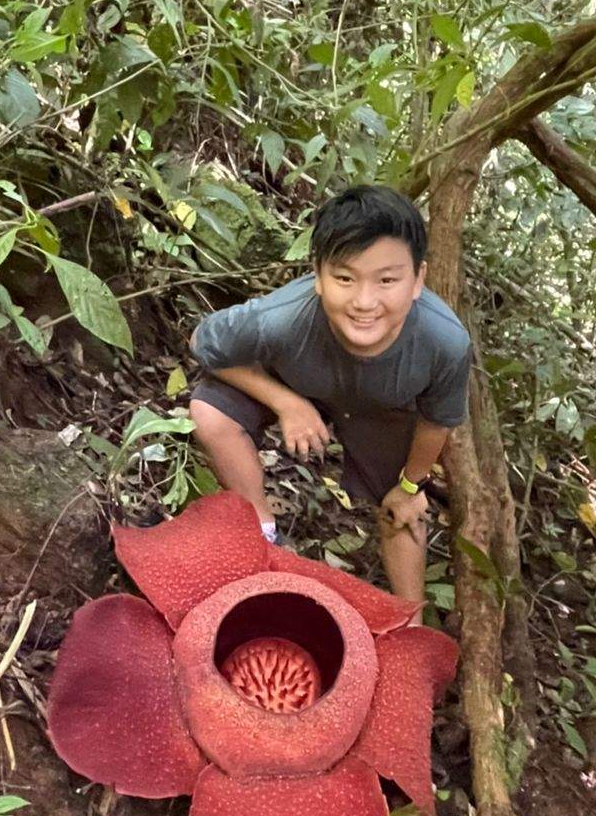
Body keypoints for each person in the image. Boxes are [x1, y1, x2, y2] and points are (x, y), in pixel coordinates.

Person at [188, 185, 472, 615]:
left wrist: (411, 485)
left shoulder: (444, 342)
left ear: (418, 280)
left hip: (383, 410)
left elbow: (438, 420)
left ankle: (408, 625)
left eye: (387, 280)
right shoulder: (283, 319)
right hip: (298, 383)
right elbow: (203, 343)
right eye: (344, 278)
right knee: (210, 412)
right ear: (318, 277)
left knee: (404, 510)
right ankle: (263, 539)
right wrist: (286, 402)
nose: (364, 302)